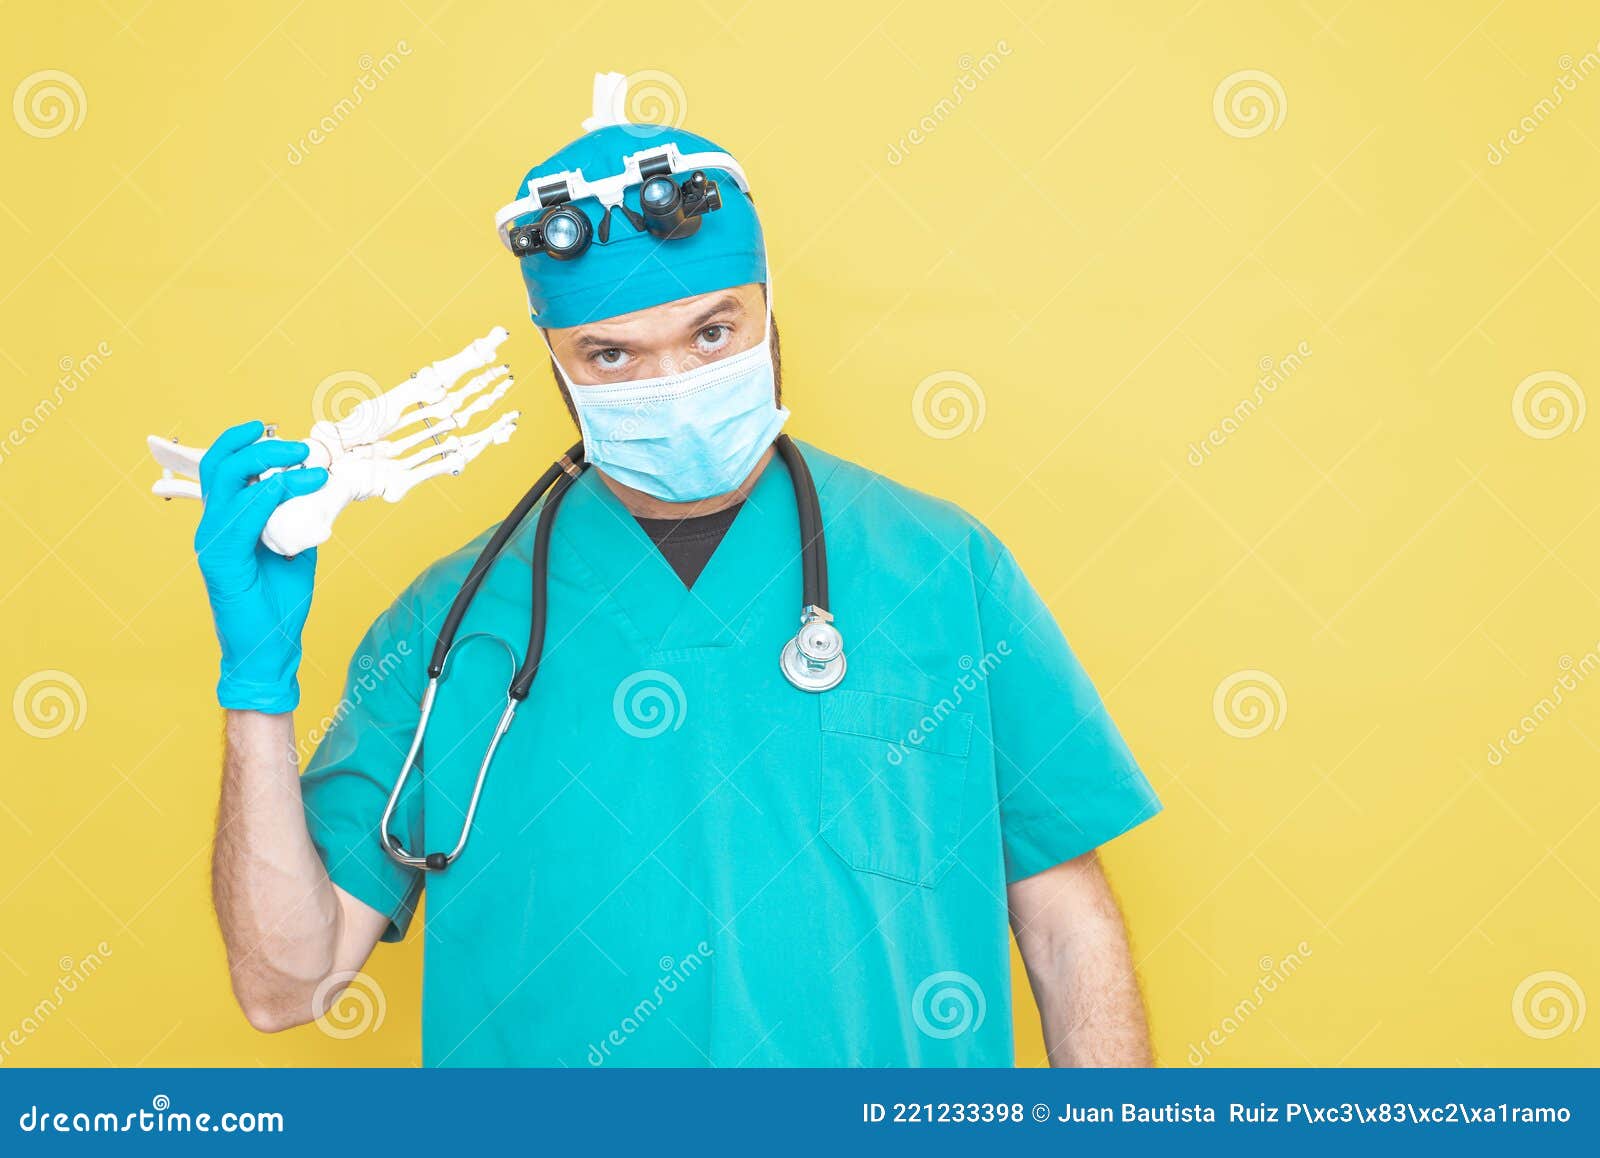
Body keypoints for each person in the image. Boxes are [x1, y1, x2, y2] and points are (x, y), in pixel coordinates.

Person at [198, 81, 1163, 1067]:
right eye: (612, 354)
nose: (674, 390)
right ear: (557, 366)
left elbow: (1064, 926)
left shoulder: (938, 565)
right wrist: (255, 691)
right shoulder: (450, 625)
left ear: (768, 312)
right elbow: (287, 986)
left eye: (712, 334)